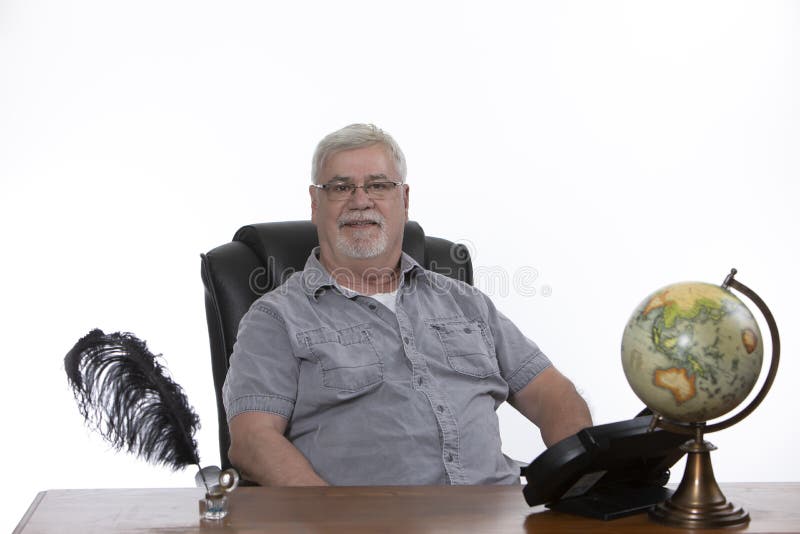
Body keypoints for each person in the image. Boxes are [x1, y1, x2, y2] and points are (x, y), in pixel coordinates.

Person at [222, 123, 592, 486]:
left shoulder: (467, 304)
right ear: (316, 204)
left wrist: (580, 482)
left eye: (379, 185)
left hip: (495, 515)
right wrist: (330, 522)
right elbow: (253, 442)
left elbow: (553, 396)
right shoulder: (275, 318)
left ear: (405, 199)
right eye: (340, 187)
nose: (360, 200)